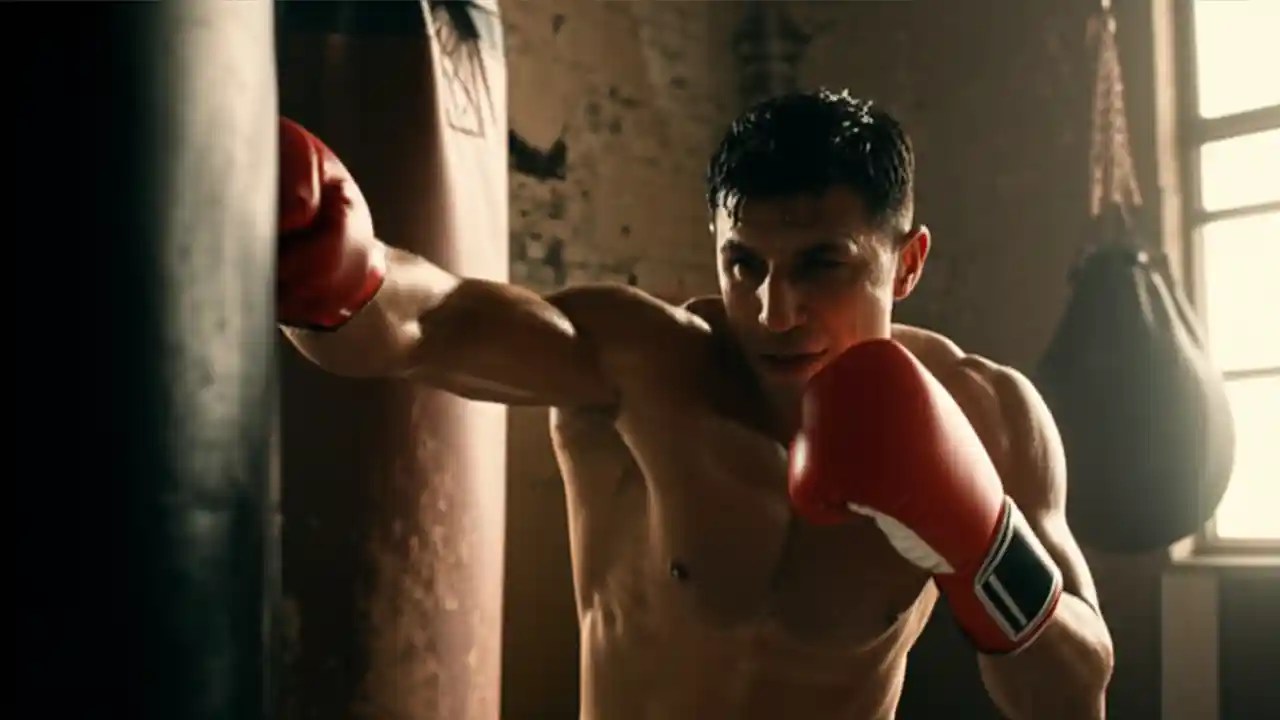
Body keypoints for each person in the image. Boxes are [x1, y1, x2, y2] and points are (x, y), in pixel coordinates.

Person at [276, 90, 1114, 719]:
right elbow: (432, 324)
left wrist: (982, 544)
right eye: (744, 264)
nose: (774, 311)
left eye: (822, 264)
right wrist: (339, 271)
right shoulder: (640, 366)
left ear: (907, 263)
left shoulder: (989, 416)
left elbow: (1077, 695)